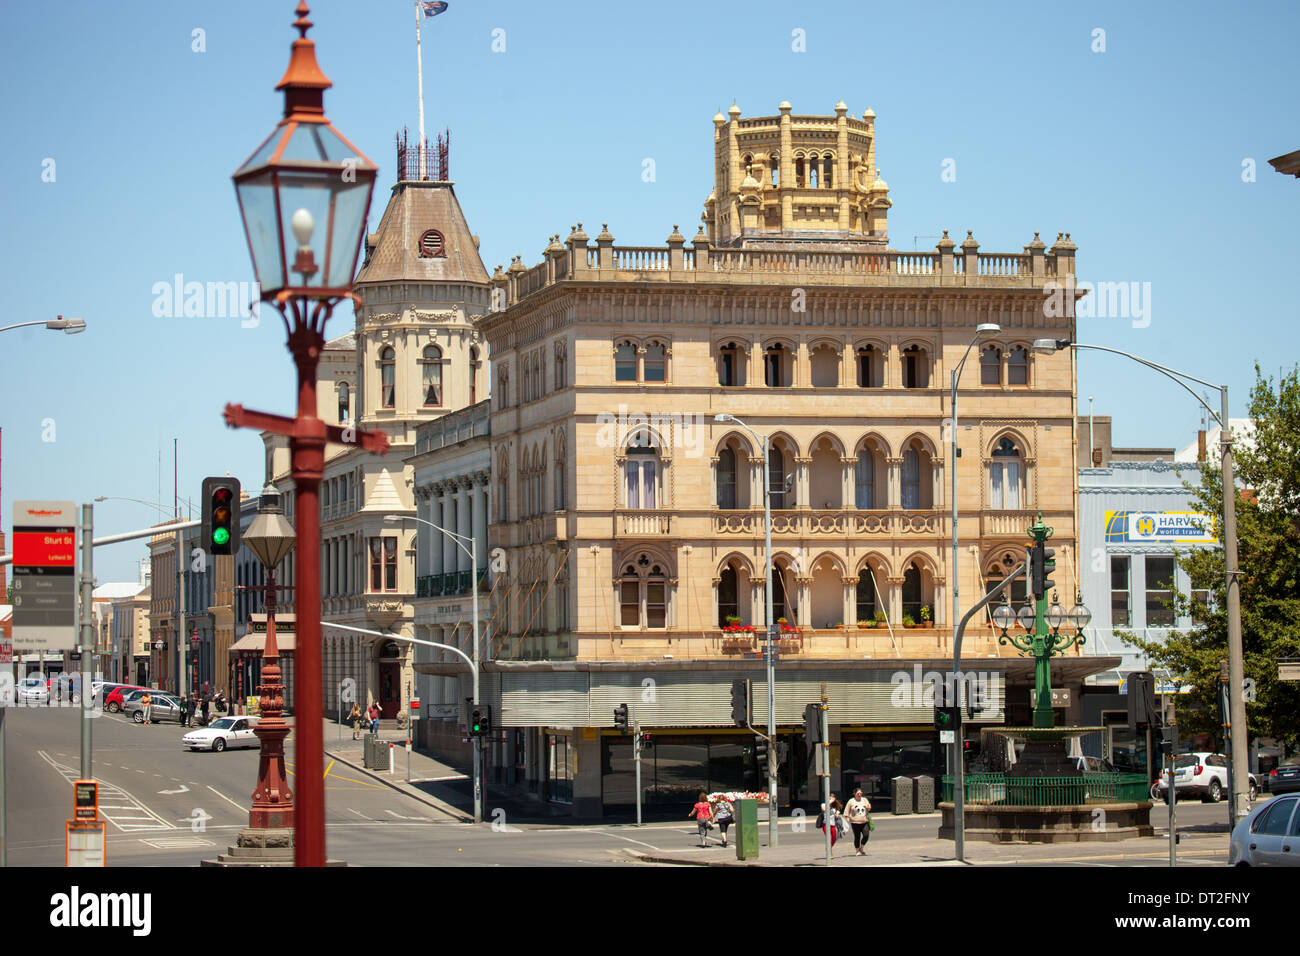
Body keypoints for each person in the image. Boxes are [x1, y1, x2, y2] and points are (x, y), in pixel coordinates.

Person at [844, 787, 873, 856]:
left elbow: (869, 808)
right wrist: (846, 817)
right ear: (854, 794)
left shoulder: (864, 800)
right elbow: (846, 810)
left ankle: (861, 848)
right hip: (855, 822)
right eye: (858, 793)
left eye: (860, 793)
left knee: (866, 835)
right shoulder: (851, 801)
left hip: (864, 821)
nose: (859, 794)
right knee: (857, 836)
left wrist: (868, 807)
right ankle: (857, 850)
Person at [818, 793, 843, 858]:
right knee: (829, 838)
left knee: (834, 838)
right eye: (828, 799)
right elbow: (824, 809)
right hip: (825, 824)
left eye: (831, 799)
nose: (830, 800)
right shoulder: (823, 804)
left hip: (833, 824)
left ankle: (828, 848)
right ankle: (830, 853)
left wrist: (837, 815)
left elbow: (837, 814)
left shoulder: (835, 807)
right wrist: (829, 802)